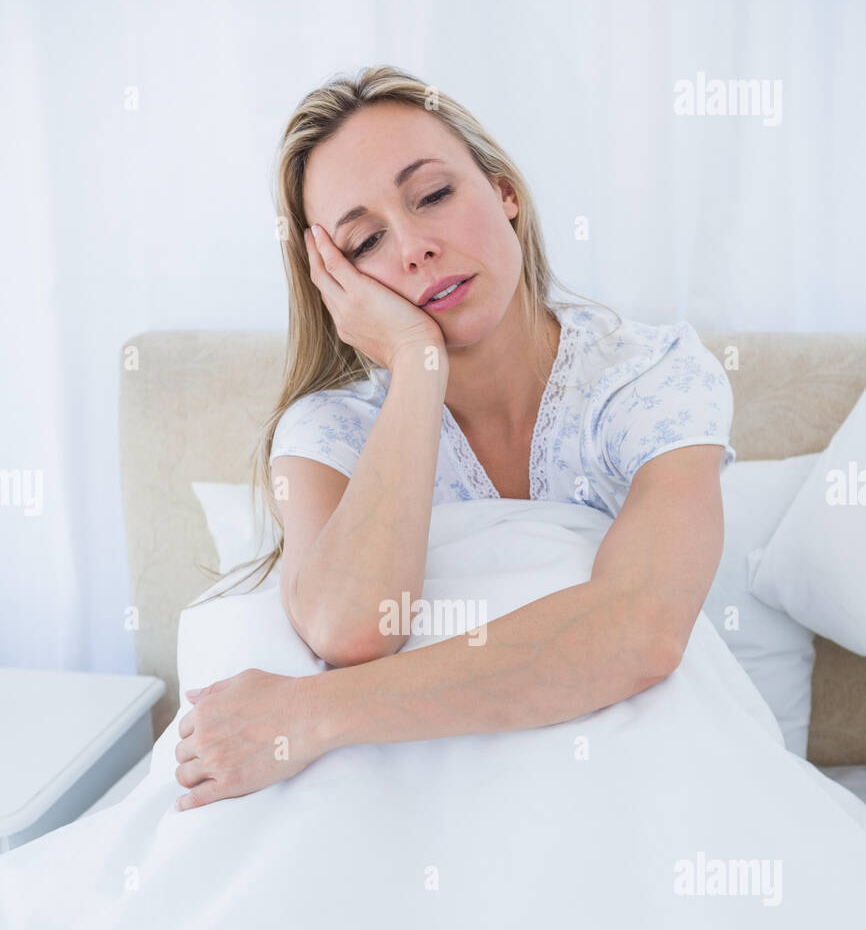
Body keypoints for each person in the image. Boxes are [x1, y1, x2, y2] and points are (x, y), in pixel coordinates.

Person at [173, 65, 736, 812]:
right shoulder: (329, 430)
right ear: (336, 283)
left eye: (433, 195)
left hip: (619, 785)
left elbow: (641, 631)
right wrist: (416, 363)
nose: (413, 249)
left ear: (505, 194)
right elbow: (352, 629)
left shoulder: (648, 378)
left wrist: (309, 714)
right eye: (366, 240)